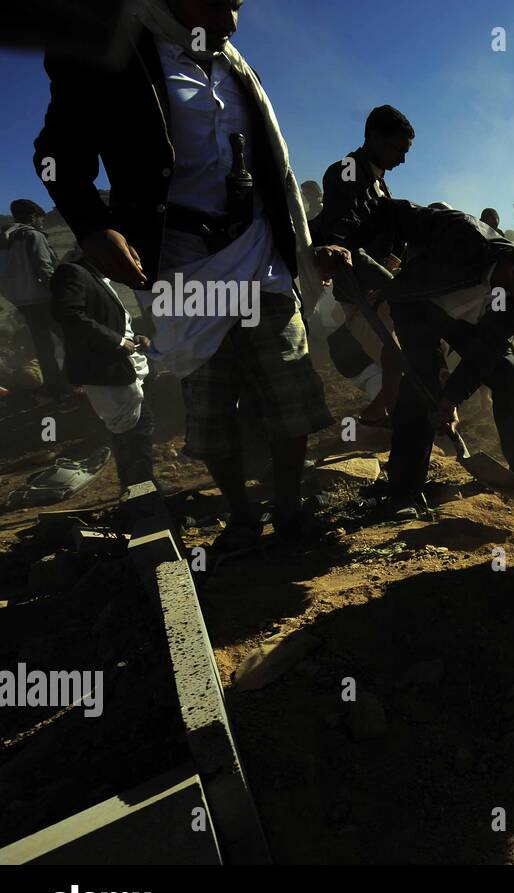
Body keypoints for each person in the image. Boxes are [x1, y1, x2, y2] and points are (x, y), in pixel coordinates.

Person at [34, 0, 353, 551]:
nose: (235, 10)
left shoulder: (235, 68)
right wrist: (91, 227)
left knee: (289, 389)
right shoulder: (108, 50)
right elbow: (54, 154)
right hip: (183, 268)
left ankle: (288, 510)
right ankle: (243, 520)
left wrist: (302, 246)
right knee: (210, 408)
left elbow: (273, 170)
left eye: (239, 1)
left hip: (257, 253)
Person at [318, 201, 514, 514]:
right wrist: (343, 243)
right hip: (418, 305)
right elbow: (390, 211)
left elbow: (485, 349)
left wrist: (453, 398)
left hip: (467, 320)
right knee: (423, 384)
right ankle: (404, 490)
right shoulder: (463, 234)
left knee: (510, 377)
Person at [315, 105, 416, 429]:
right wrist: (342, 253)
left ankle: (377, 413)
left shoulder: (379, 183)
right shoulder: (347, 170)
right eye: (397, 149)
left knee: (409, 350)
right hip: (356, 289)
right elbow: (341, 224)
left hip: (381, 285)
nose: (402, 159)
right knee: (396, 352)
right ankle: (397, 424)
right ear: (374, 137)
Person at [49, 250, 156, 492]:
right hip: (109, 372)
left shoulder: (98, 278)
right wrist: (116, 342)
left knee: (137, 435)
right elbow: (67, 314)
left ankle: (141, 494)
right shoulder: (72, 273)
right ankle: (143, 498)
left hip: (124, 368)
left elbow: (113, 321)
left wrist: (133, 336)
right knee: (132, 438)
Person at [0, 199, 73, 401]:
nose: (41, 223)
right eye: (40, 218)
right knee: (70, 338)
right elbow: (45, 268)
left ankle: (55, 389)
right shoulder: (32, 235)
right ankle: (72, 382)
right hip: (44, 298)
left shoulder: (5, 239)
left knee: (43, 346)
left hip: (22, 302)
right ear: (33, 216)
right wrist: (60, 293)